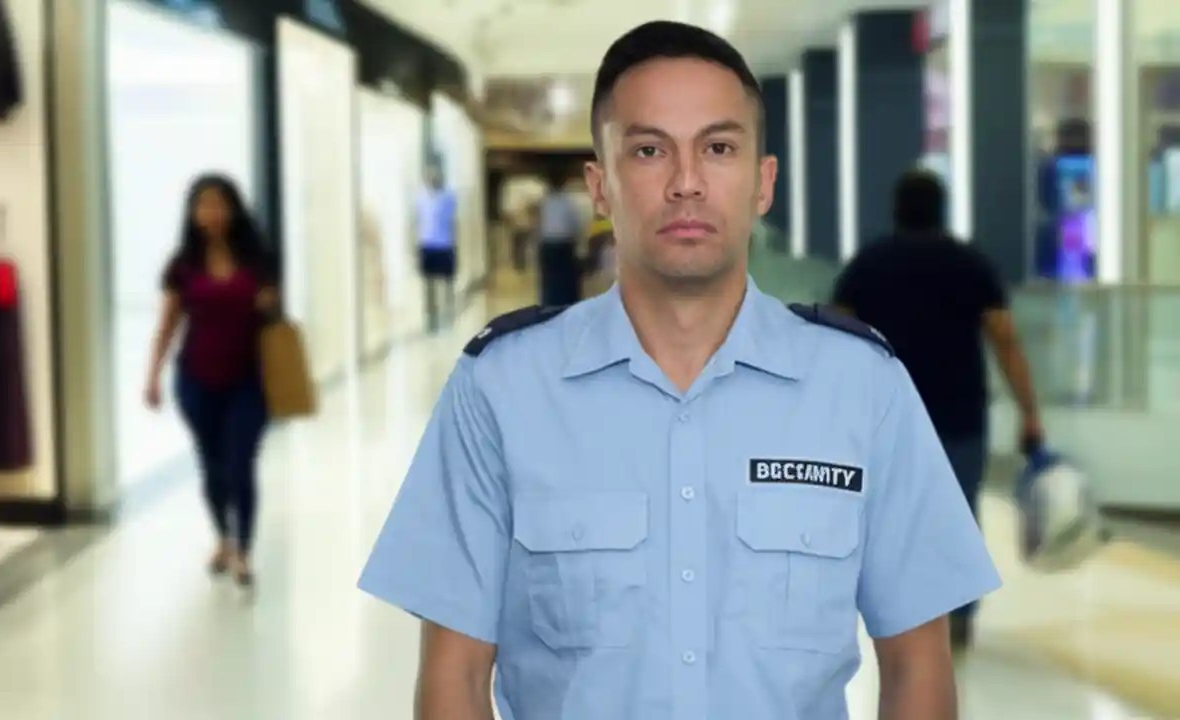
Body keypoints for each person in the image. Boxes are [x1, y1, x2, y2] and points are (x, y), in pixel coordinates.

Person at [359, 21, 1000, 720]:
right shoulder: (502, 389)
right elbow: (453, 678)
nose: (687, 183)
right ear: (600, 186)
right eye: (648, 150)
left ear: (763, 183)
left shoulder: (861, 387)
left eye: (718, 148)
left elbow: (918, 667)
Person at [832, 168, 1043, 649]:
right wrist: (1030, 410)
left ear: (896, 209)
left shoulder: (870, 264)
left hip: (887, 416)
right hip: (960, 413)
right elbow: (1004, 339)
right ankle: (958, 616)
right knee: (958, 513)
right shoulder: (970, 263)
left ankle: (901, 616)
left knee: (891, 514)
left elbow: (836, 336)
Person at [145, 174, 276, 588]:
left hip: (249, 381)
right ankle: (222, 535)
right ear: (193, 213)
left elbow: (274, 319)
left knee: (241, 465)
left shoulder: (257, 260)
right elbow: (168, 323)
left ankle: (243, 550)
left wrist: (268, 304)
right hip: (196, 380)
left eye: (220, 204)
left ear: (234, 209)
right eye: (203, 205)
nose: (212, 213)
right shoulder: (182, 265)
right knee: (212, 465)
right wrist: (153, 374)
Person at [417, 166, 458, 332]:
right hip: (427, 245)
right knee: (429, 285)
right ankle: (431, 318)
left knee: (447, 283)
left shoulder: (449, 197)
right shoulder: (421, 199)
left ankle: (448, 314)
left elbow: (454, 221)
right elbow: (416, 222)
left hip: (445, 245)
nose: (433, 178)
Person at [536, 166, 583, 306]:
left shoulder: (545, 202)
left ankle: (550, 306)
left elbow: (539, 224)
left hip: (548, 244)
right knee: (566, 281)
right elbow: (574, 225)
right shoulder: (568, 202)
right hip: (564, 244)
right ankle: (565, 306)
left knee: (550, 281)